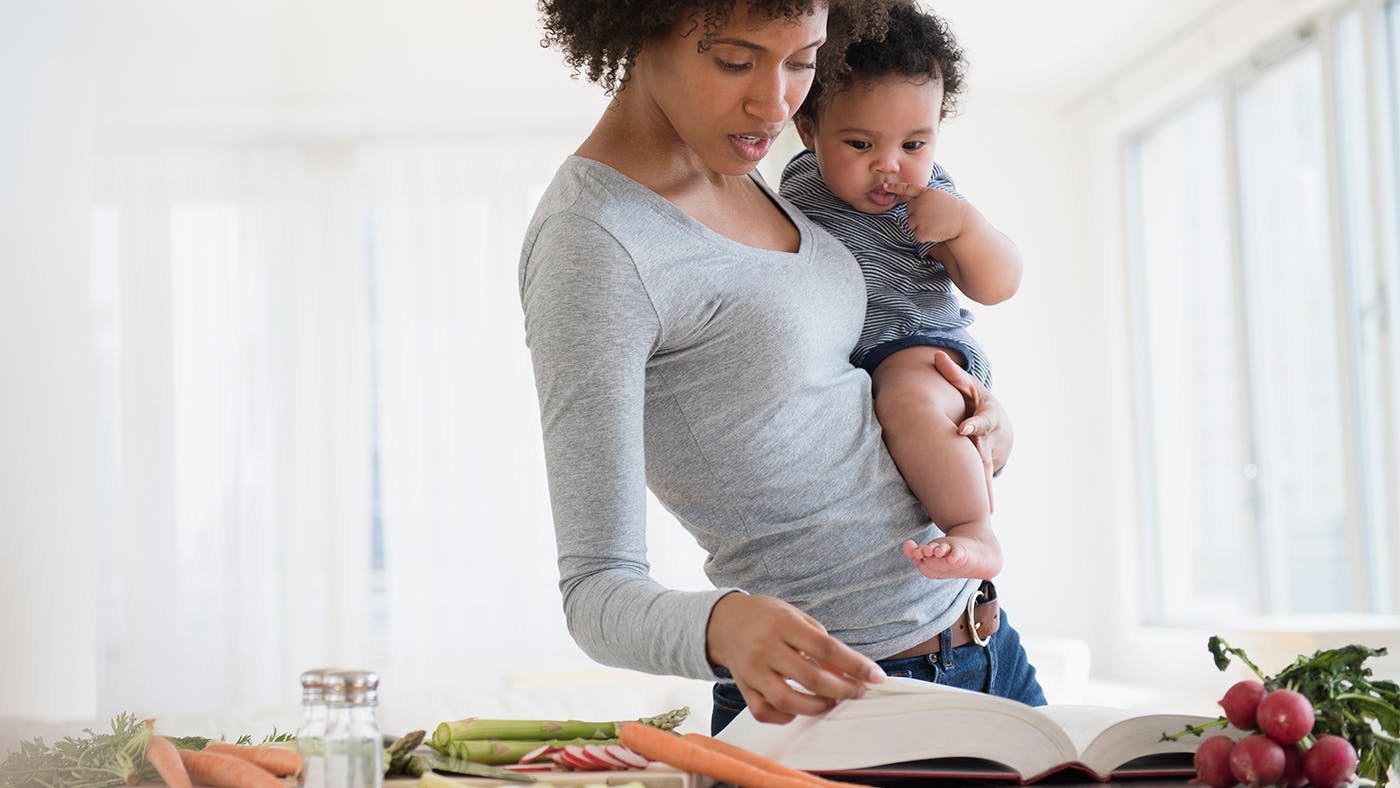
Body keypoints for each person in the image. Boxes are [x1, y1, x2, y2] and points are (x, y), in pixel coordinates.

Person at [521, 0, 1047, 736]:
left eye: (803, 61)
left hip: (984, 644)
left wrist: (980, 420)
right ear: (639, 25)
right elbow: (594, 590)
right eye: (734, 60)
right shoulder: (594, 242)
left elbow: (827, 393)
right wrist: (723, 626)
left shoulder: (754, 174)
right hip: (834, 701)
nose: (776, 102)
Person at [781, 3, 1022, 582]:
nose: (890, 166)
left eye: (915, 144)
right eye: (861, 145)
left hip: (917, 342)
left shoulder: (929, 199)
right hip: (849, 361)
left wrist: (964, 226)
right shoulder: (794, 187)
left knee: (909, 398)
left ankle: (973, 530)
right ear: (808, 129)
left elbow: (999, 284)